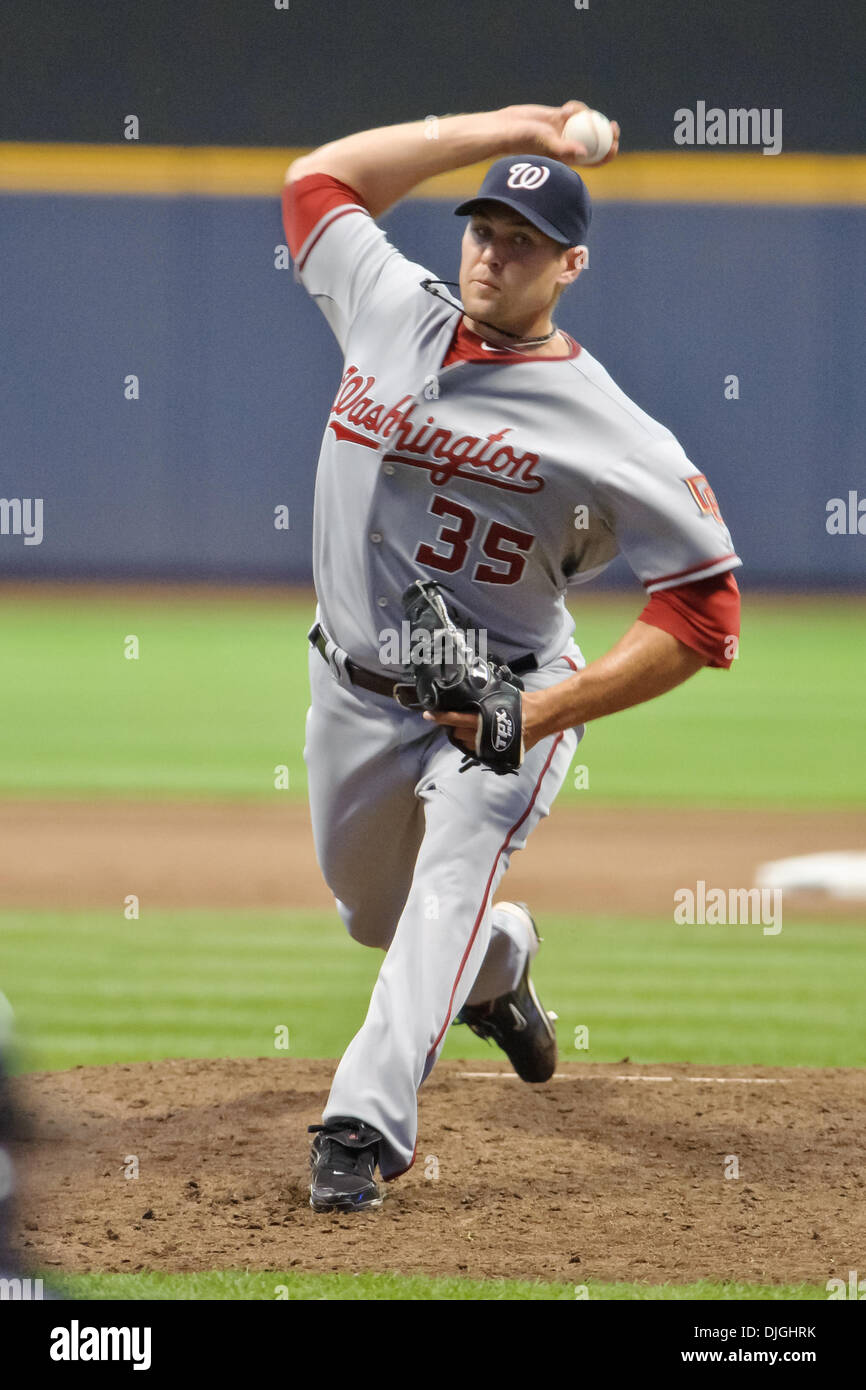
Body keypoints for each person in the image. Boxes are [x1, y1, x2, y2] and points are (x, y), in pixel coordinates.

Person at [281, 101, 741, 1211]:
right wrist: (498, 125)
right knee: (371, 913)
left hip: (505, 693)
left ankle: (361, 1125)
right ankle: (504, 964)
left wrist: (536, 716)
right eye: (482, 228)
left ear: (567, 266)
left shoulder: (612, 430)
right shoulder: (391, 307)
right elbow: (314, 181)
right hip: (350, 685)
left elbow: (703, 612)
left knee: (449, 872)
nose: (492, 251)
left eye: (521, 240)